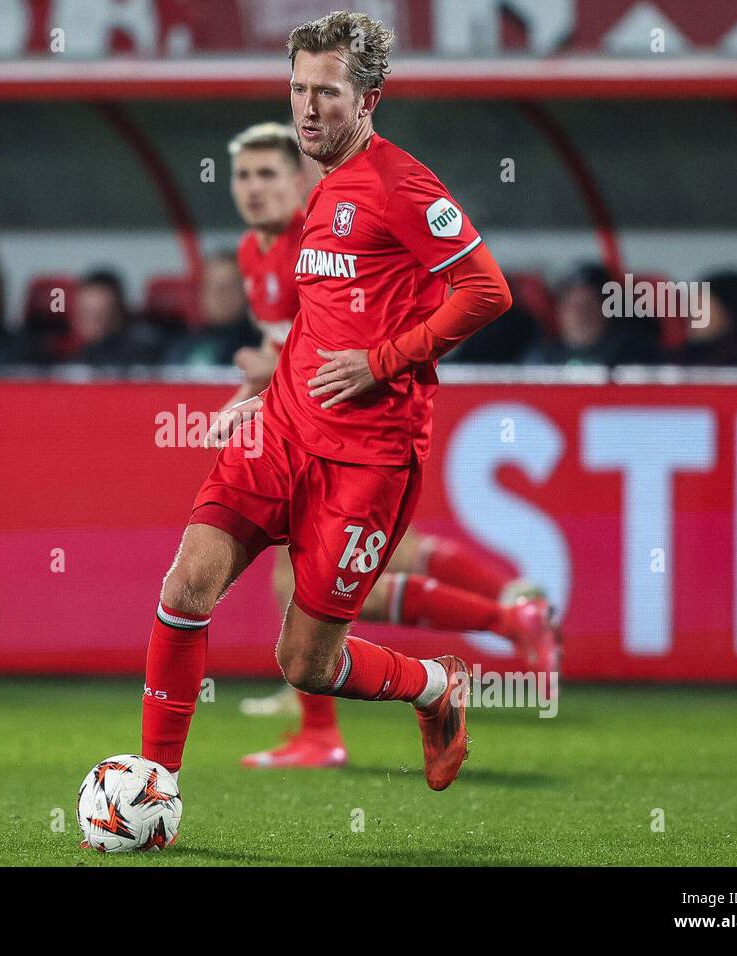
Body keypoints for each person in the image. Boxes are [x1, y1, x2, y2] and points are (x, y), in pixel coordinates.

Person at [132, 12, 515, 811]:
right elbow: (323, 315)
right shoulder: (318, 194)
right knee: (185, 586)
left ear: (369, 97)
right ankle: (154, 784)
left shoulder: (400, 184)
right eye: (299, 90)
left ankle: (434, 685)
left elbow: (487, 290)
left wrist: (383, 362)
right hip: (282, 433)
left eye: (328, 93)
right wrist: (261, 392)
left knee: (304, 663)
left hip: (369, 457)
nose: (308, 108)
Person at [220, 124, 558, 770]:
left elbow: (329, 338)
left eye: (269, 175)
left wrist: (274, 376)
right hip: (305, 426)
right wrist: (250, 387)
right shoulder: (250, 253)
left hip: (356, 430)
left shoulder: (317, 237)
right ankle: (505, 623)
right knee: (326, 577)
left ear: (300, 181)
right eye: (243, 176)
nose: (254, 189)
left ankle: (331, 723)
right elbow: (289, 348)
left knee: (329, 578)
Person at [524, 263, 659, 366]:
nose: (580, 314)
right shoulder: (540, 362)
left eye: (590, 304)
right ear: (559, 311)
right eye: (573, 304)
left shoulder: (636, 360)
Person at [161, 252, 260, 366]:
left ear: (246, 292)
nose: (218, 295)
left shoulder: (259, 350)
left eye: (227, 287)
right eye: (210, 286)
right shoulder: (181, 345)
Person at [67, 269, 164, 366]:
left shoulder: (143, 350)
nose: (92, 323)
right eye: (86, 312)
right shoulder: (63, 351)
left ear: (121, 313)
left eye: (101, 315)